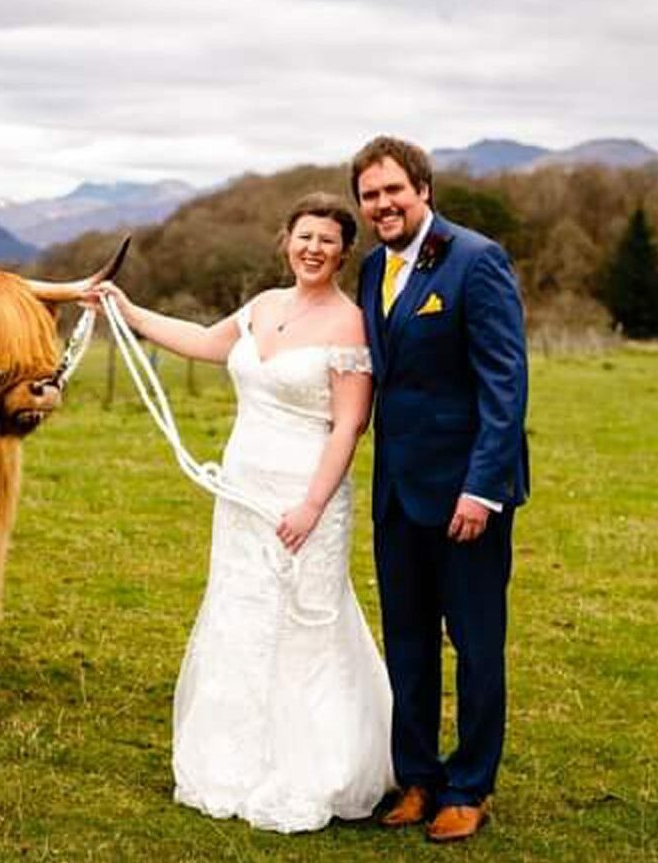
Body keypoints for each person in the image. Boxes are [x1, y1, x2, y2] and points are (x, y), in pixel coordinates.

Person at [87, 192, 394, 833]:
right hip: (243, 491)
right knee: (242, 610)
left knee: (306, 617)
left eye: (328, 240)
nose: (313, 249)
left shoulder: (350, 324)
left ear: (344, 253)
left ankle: (317, 765)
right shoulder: (261, 306)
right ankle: (233, 757)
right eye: (304, 236)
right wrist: (128, 310)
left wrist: (312, 506)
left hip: (304, 495)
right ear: (287, 241)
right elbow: (203, 342)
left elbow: (350, 424)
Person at [351, 136, 529, 843]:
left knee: (476, 644)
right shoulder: (372, 269)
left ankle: (469, 785)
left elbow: (504, 385)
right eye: (370, 195)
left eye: (393, 189)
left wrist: (482, 489)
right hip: (397, 492)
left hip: (465, 495)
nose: (382, 204)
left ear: (423, 189)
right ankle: (418, 777)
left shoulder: (476, 261)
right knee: (408, 641)